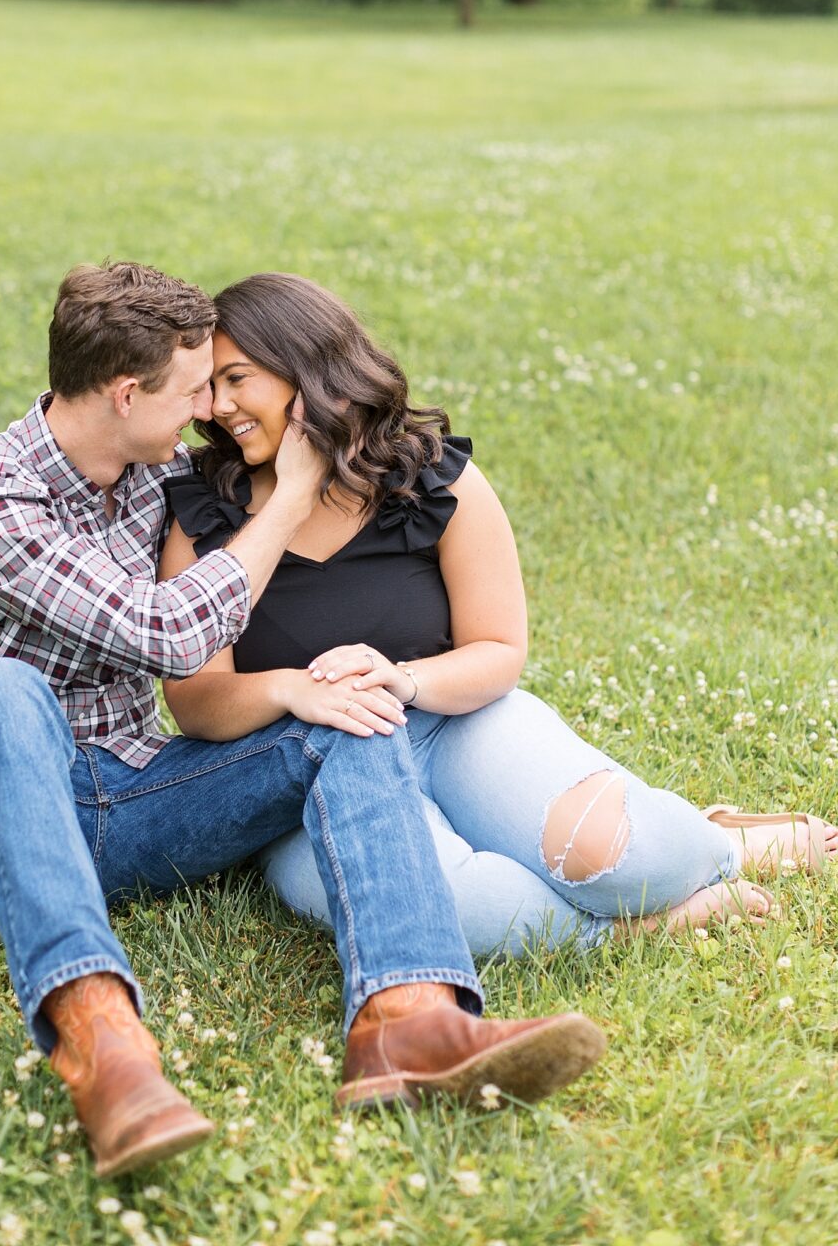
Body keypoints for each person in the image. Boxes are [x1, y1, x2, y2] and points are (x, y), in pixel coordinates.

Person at [0, 261, 606, 1182]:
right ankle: (103, 1043)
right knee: (0, 688)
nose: (207, 414)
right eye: (190, 393)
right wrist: (291, 494)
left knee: (344, 705)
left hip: (125, 795)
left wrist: (309, 678)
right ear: (126, 391)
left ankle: (409, 1019)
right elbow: (166, 633)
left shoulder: (156, 475)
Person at [161, 273, 836, 962]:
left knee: (624, 860)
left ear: (303, 366)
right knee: (445, 906)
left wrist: (403, 680)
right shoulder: (206, 509)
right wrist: (288, 689)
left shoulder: (430, 479)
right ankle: (636, 929)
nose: (216, 407)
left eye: (237, 378)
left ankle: (720, 839)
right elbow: (195, 703)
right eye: (210, 386)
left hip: (458, 727)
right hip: (301, 773)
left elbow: (498, 648)